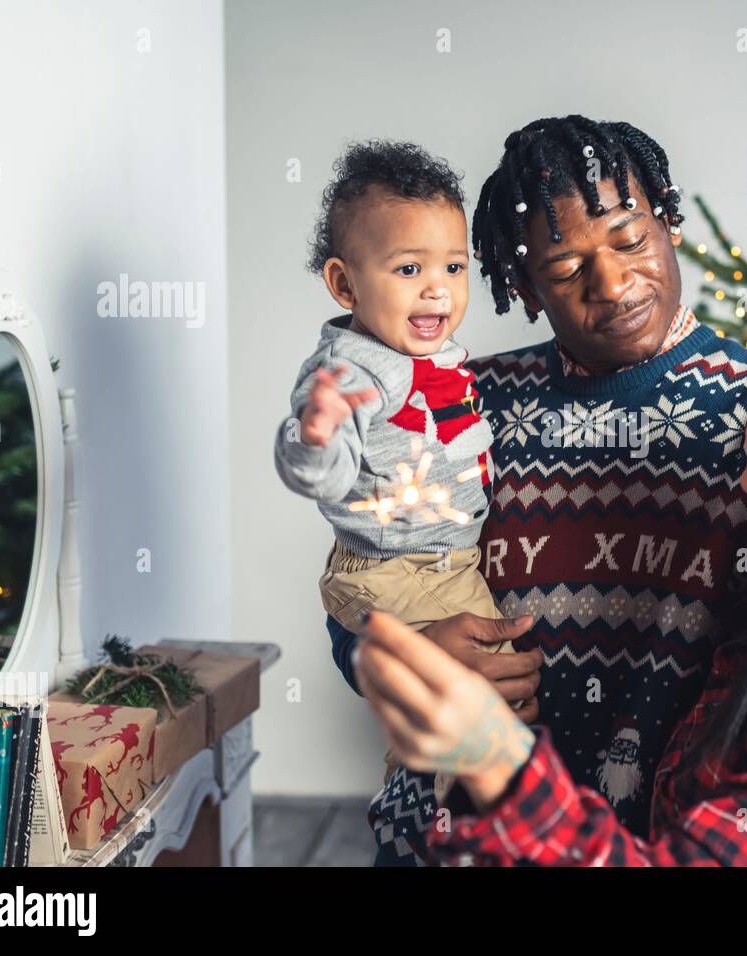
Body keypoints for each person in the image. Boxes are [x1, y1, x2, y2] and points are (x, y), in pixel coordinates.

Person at [326, 116, 747, 865]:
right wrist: (406, 647)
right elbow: (368, 569)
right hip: (466, 834)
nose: (614, 284)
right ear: (521, 285)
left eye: (630, 241)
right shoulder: (461, 409)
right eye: (564, 269)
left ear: (670, 224)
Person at [274, 141, 510, 802]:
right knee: (464, 712)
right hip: (389, 572)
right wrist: (315, 433)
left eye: (454, 267)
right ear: (345, 284)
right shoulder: (347, 372)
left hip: (449, 565)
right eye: (409, 267)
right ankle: (434, 826)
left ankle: (430, 808)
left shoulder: (440, 352)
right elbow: (317, 472)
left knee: (497, 708)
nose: (438, 287)